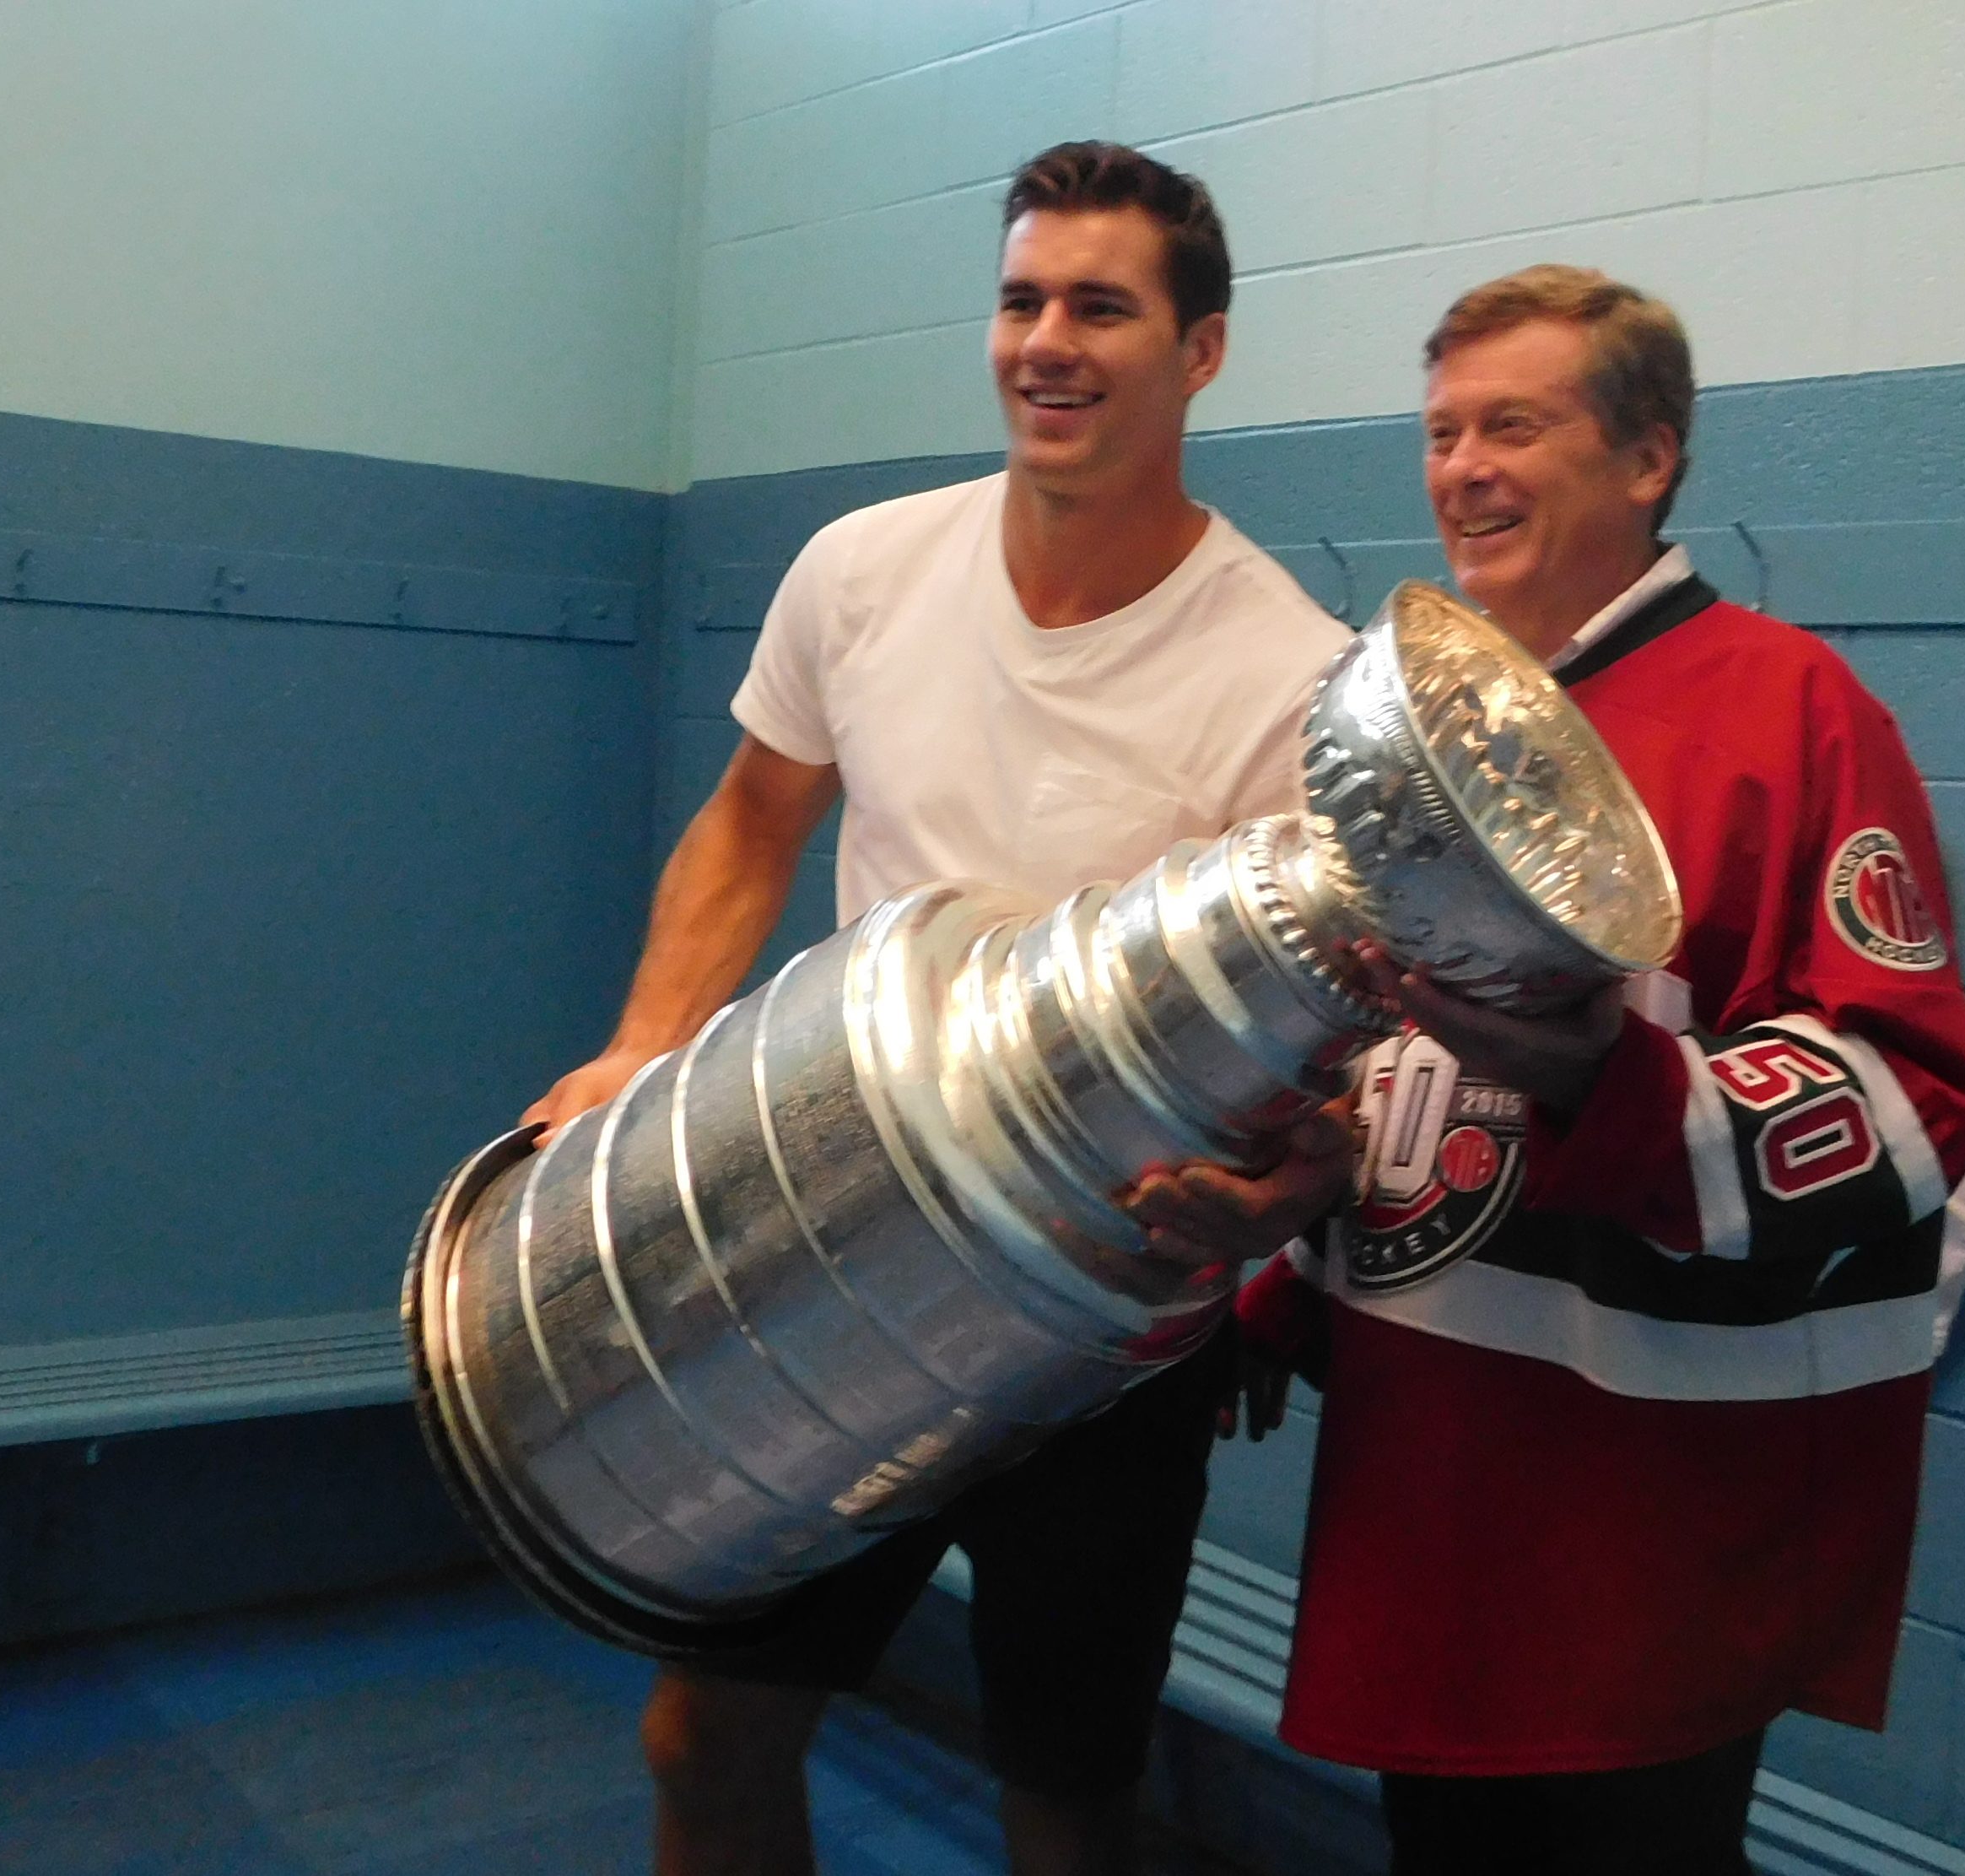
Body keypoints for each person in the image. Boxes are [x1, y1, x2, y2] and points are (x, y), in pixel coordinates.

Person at [522, 142, 1353, 1876]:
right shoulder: (863, 568)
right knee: (705, 1730)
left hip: (1103, 1316)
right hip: (833, 1265)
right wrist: (643, 1041)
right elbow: (757, 816)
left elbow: (1319, 1036)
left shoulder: (1289, 674)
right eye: (1021, 299)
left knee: (1061, 1802)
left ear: (1200, 351)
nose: (1046, 340)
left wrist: (1279, 1201)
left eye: (1101, 306)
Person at [1224, 266, 1965, 1875]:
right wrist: (1289, 1261)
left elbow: (1912, 1096)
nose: (1462, 468)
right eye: (1441, 432)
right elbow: (1376, 1061)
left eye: (1514, 424)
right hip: (1425, 1478)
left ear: (1650, 459)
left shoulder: (1793, 710)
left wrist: (1610, 1083)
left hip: (1644, 1524)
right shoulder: (1406, 724)